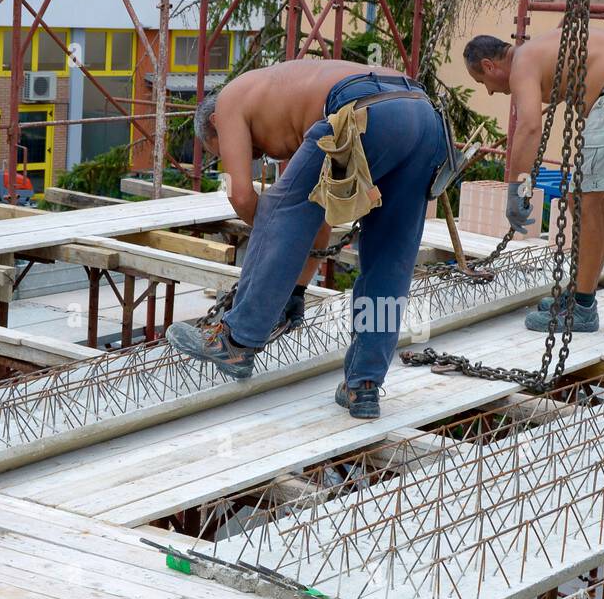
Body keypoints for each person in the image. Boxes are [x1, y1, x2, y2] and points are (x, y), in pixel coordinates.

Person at [166, 59, 449, 419]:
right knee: (390, 261)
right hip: (423, 117)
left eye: (234, 151)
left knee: (277, 209)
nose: (253, 156)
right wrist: (295, 289)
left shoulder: (230, 101)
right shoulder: (287, 101)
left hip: (362, 109)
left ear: (215, 126)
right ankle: (363, 385)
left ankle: (236, 341)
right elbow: (319, 215)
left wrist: (278, 242)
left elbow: (243, 197)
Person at [463, 30, 604, 332]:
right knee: (592, 203)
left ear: (489, 66)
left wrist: (516, 190)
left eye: (481, 82)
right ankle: (581, 295)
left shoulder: (522, 62)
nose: (488, 91)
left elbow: (528, 127)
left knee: (588, 203)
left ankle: (583, 307)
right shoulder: (543, 52)